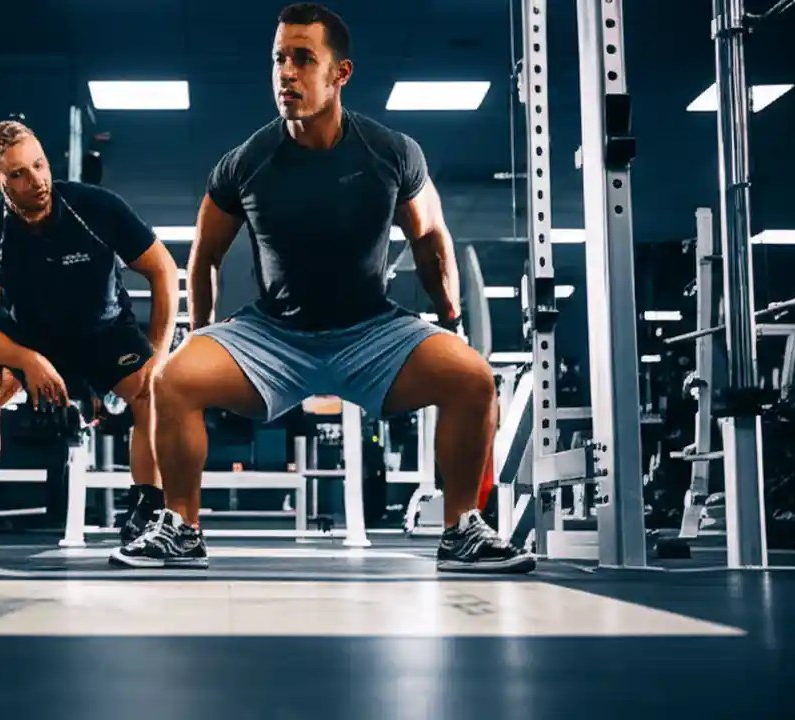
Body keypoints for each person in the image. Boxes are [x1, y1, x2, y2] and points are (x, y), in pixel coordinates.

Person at [110, 3, 535, 573]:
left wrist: (451, 322)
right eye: (279, 59)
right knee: (174, 379)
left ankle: (461, 528)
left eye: (303, 59)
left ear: (341, 73)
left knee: (473, 379)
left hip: (372, 331)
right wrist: (203, 334)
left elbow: (432, 239)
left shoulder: (391, 152)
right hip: (274, 334)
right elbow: (204, 256)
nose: (286, 73)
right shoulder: (245, 162)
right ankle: (182, 526)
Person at [0, 120, 179, 559]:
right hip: (32, 342)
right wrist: (29, 361)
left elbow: (163, 270)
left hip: (105, 333)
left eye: (39, 165)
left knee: (158, 390)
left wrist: (159, 354)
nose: (37, 181)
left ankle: (145, 511)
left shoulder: (94, 208)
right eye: (18, 174)